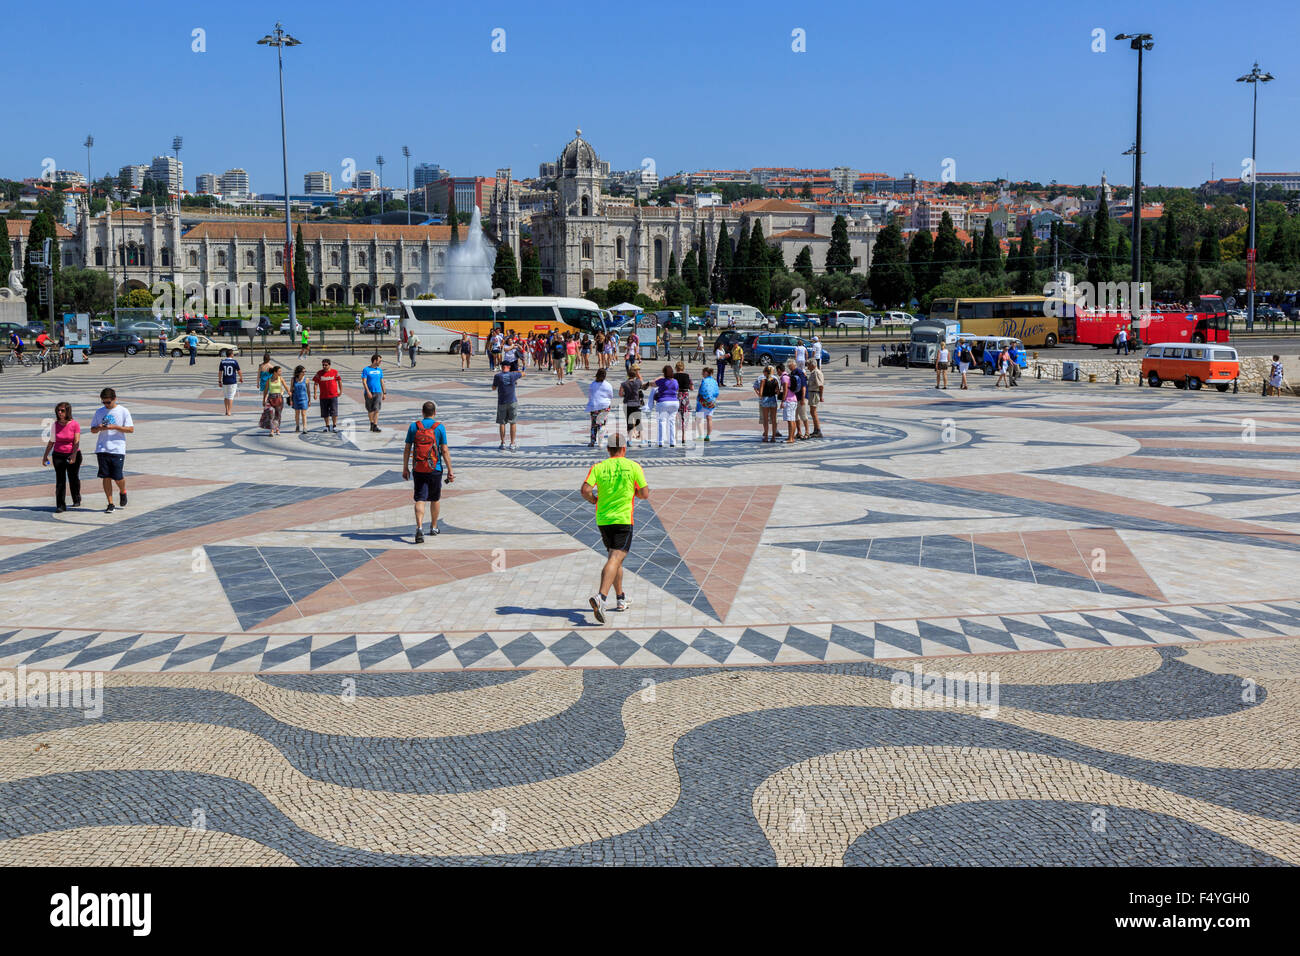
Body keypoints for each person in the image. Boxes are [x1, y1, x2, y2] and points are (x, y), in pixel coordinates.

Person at [580, 432, 649, 622]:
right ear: (624, 449)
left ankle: (620, 598)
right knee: (615, 558)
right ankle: (601, 597)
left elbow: (585, 490)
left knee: (614, 558)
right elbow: (644, 493)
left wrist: (594, 500)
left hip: (603, 520)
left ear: (608, 449)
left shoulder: (599, 467)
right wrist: (635, 492)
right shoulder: (633, 467)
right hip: (623, 520)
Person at [401, 400, 454, 542]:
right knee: (435, 499)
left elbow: (407, 449)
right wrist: (450, 470)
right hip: (435, 468)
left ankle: (419, 527)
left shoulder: (414, 426)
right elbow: (444, 450)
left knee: (420, 498)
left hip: (418, 468)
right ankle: (434, 527)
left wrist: (405, 467)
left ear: (422, 412)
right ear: (434, 413)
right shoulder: (439, 427)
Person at [89, 387, 133, 514]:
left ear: (115, 399)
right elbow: (92, 430)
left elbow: (130, 429)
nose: (106, 405)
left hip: (117, 448)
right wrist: (99, 428)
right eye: (103, 402)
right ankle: (110, 503)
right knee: (106, 476)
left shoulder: (123, 411)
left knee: (118, 477)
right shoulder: (99, 412)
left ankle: (123, 491)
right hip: (102, 448)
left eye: (108, 402)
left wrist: (115, 427)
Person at [43, 401, 82, 513]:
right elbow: (52, 441)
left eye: (62, 410)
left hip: (73, 454)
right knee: (60, 480)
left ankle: (76, 498)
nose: (60, 412)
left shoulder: (74, 424)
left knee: (73, 478)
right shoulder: (55, 425)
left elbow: (76, 442)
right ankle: (60, 505)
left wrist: (73, 455)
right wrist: (45, 456)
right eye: (58, 410)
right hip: (58, 455)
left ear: (68, 411)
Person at [492, 359, 524, 451]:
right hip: (512, 401)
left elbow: (493, 388)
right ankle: (512, 443)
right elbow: (523, 373)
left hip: (502, 402)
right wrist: (515, 371)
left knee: (502, 423)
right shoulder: (513, 375)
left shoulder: (498, 376)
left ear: (502, 367)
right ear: (509, 367)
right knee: (513, 422)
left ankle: (503, 443)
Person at [650, 364, 680, 447]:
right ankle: (672, 442)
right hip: (674, 402)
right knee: (672, 422)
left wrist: (659, 378)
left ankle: (660, 442)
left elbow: (653, 384)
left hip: (663, 402)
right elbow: (677, 389)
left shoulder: (662, 381)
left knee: (662, 421)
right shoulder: (675, 381)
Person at [312, 357, 342, 432]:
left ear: (329, 365)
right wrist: (315, 393)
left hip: (333, 395)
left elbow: (339, 381)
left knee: (334, 411)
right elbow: (315, 383)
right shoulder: (319, 373)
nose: (324, 366)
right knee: (325, 412)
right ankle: (327, 426)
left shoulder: (335, 372)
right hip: (323, 396)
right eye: (323, 365)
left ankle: (334, 426)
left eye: (325, 365)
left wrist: (340, 391)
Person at [586, 367, 615, 447]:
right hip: (604, 407)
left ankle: (592, 441)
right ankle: (600, 442)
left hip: (594, 406)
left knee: (594, 424)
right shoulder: (608, 385)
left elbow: (590, 395)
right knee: (602, 424)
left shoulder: (592, 384)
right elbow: (611, 396)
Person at [361, 353, 386, 432]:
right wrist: (368, 391)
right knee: (370, 410)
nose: (380, 362)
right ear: (375, 360)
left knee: (377, 409)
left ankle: (375, 425)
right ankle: (371, 423)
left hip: (378, 392)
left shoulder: (379, 370)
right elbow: (364, 382)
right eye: (379, 361)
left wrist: (384, 392)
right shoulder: (366, 369)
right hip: (369, 392)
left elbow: (382, 382)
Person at [621, 365, 645, 444]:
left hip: (629, 403)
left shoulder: (625, 383)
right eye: (636, 370)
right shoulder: (637, 381)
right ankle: (640, 438)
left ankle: (630, 439)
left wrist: (625, 394)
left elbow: (621, 393)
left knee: (631, 421)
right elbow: (642, 383)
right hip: (636, 403)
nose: (638, 372)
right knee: (637, 421)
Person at [754, 364, 779, 441]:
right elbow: (777, 391)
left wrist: (760, 396)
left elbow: (761, 393)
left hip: (765, 399)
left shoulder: (763, 381)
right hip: (773, 399)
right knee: (774, 419)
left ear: (765, 372)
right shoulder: (775, 380)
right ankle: (773, 437)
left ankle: (766, 436)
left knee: (766, 419)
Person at [789, 359, 811, 440]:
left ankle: (807, 432)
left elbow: (804, 386)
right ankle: (799, 432)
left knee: (803, 415)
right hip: (795, 397)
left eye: (790, 366)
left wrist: (803, 398)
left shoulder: (799, 372)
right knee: (795, 416)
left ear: (794, 365)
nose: (789, 367)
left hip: (802, 397)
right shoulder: (792, 373)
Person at [262, 365, 286, 436]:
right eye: (279, 371)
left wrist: (290, 393)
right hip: (271, 398)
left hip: (279, 398)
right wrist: (264, 399)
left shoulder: (280, 378)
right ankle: (272, 430)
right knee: (271, 414)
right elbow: (265, 390)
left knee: (278, 415)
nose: (281, 372)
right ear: (275, 372)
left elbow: (285, 386)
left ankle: (277, 428)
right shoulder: (269, 380)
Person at [696, 366, 719, 441]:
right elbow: (717, 392)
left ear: (706, 373)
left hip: (703, 402)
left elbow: (701, 391)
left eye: (703, 373)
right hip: (712, 402)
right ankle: (708, 436)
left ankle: (700, 436)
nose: (702, 374)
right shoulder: (714, 381)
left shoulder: (704, 381)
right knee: (709, 418)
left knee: (699, 418)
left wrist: (699, 399)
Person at [217, 348, 243, 415]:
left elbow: (220, 372)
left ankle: (226, 410)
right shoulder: (234, 362)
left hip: (225, 381)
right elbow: (239, 371)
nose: (233, 355)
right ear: (231, 354)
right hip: (232, 381)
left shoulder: (222, 362)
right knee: (231, 396)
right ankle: (229, 411)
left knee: (226, 396)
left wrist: (219, 381)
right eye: (233, 354)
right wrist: (241, 378)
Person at [779, 360, 799, 443]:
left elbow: (785, 390)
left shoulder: (784, 378)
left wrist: (783, 401)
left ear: (779, 370)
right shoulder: (788, 376)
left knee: (790, 420)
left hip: (789, 400)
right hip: (794, 399)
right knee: (792, 419)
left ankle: (790, 438)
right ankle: (791, 437)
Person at [805, 359, 825, 437]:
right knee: (812, 412)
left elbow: (821, 386)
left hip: (814, 393)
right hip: (812, 393)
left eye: (808, 365)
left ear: (812, 365)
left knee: (813, 412)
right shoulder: (813, 373)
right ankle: (816, 430)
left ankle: (818, 430)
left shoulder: (817, 373)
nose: (807, 367)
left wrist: (821, 396)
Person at [673, 361, 693, 438]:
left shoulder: (673, 376)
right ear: (683, 368)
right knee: (684, 415)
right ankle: (683, 436)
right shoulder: (687, 376)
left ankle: (675, 434)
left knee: (675, 414)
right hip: (685, 396)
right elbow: (691, 388)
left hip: (676, 396)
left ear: (676, 368)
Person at [290, 365, 310, 433]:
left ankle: (305, 427)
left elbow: (308, 391)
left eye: (305, 371)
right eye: (303, 372)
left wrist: (309, 400)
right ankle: (297, 425)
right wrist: (291, 399)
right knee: (297, 413)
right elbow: (291, 390)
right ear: (299, 372)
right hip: (296, 398)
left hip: (304, 398)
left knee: (304, 413)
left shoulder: (306, 379)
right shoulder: (293, 379)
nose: (304, 373)